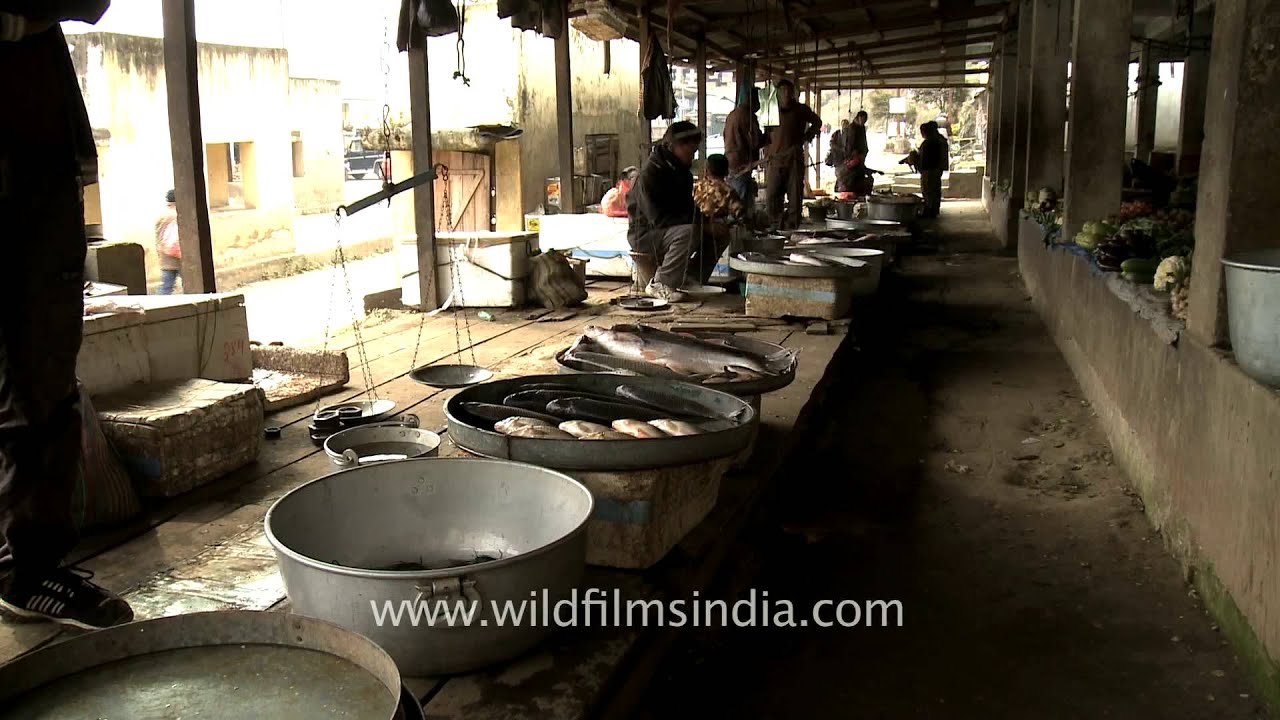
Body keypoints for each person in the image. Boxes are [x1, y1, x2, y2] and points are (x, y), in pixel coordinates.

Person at [0, 1, 135, 629]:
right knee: (32, 384)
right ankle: (24, 567)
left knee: (44, 382)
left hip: (37, 170)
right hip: (27, 174)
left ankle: (30, 569)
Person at [626, 121, 703, 302]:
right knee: (688, 232)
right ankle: (660, 283)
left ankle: (689, 278)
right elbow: (658, 218)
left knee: (718, 233)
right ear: (674, 147)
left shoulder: (682, 173)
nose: (692, 157)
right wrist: (698, 224)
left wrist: (707, 221)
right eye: (689, 152)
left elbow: (688, 208)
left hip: (667, 229)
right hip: (646, 234)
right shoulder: (649, 174)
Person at [765, 79, 822, 230]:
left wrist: (807, 136)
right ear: (778, 93)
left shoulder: (801, 109)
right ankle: (776, 225)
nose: (785, 93)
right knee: (772, 195)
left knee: (795, 195)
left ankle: (792, 226)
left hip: (794, 159)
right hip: (776, 160)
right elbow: (766, 133)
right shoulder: (771, 110)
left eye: (788, 90)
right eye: (782, 90)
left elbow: (817, 122)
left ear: (793, 93)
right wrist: (765, 152)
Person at [691, 154, 743, 285]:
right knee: (723, 237)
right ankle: (697, 279)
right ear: (726, 171)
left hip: (695, 226)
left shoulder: (697, 187)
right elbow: (740, 214)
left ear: (706, 171)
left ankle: (691, 276)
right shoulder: (728, 191)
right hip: (715, 231)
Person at [723, 85, 765, 207]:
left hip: (730, 160)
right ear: (753, 101)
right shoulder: (748, 116)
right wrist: (768, 135)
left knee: (734, 197)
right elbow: (755, 141)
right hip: (742, 163)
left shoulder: (732, 115)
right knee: (741, 201)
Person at [916, 121, 950, 219]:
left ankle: (930, 210)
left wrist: (916, 161)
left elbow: (924, 160)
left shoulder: (929, 143)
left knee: (928, 191)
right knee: (934, 190)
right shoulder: (940, 140)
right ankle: (933, 210)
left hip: (929, 170)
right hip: (937, 170)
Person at [155, 189, 182, 294]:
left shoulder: (161, 216)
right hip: (180, 257)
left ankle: (158, 303)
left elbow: (158, 237)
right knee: (192, 285)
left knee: (166, 287)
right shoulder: (179, 215)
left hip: (165, 258)